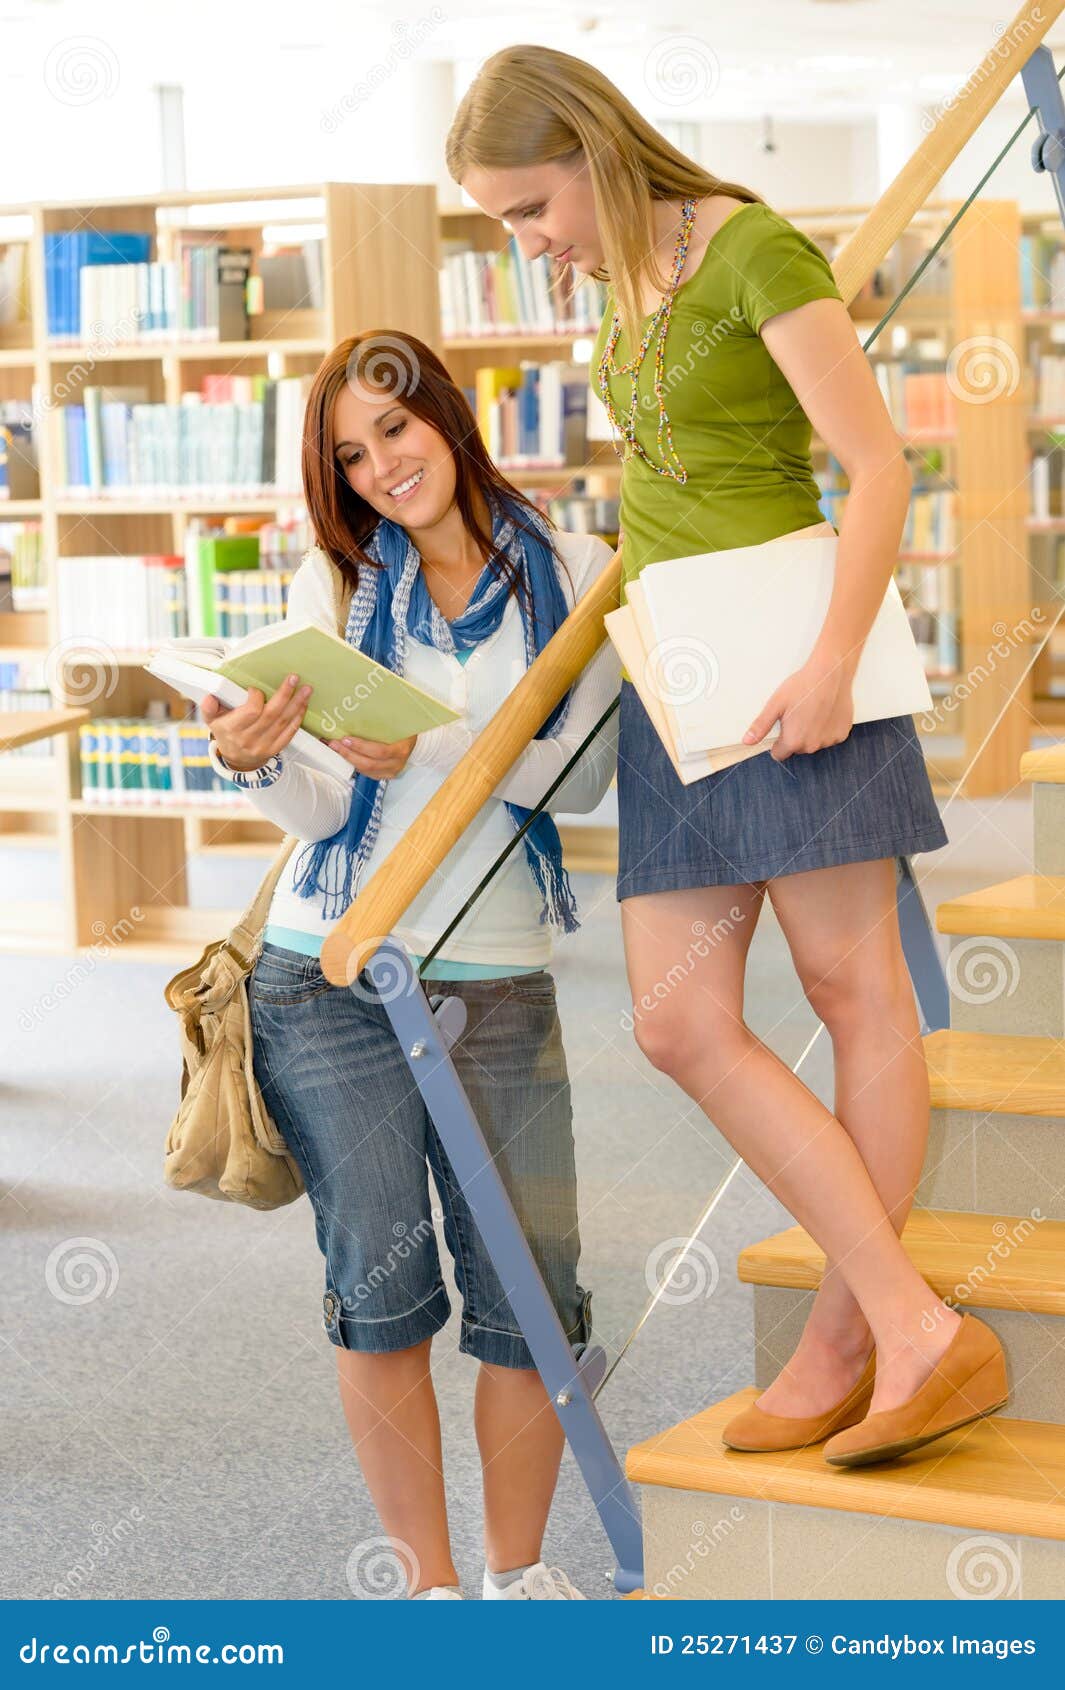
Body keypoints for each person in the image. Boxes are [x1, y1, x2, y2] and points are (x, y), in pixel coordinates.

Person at [446, 44, 1009, 1468]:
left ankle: (844, 1347)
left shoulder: (755, 248)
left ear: (588, 147)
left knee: (851, 986)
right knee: (675, 1020)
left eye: (528, 208)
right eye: (507, 224)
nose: (528, 243)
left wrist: (828, 662)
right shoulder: (618, 286)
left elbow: (876, 468)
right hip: (679, 675)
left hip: (793, 662)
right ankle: (909, 1320)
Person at [201, 330, 621, 1595]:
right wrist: (263, 757)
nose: (383, 467)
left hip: (495, 975)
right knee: (378, 1289)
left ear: (444, 413)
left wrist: (444, 749)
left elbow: (591, 780)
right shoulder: (334, 590)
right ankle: (431, 1596)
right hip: (326, 976)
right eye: (351, 454)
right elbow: (324, 814)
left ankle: (518, 1580)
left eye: (396, 429)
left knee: (529, 1291)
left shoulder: (577, 569)